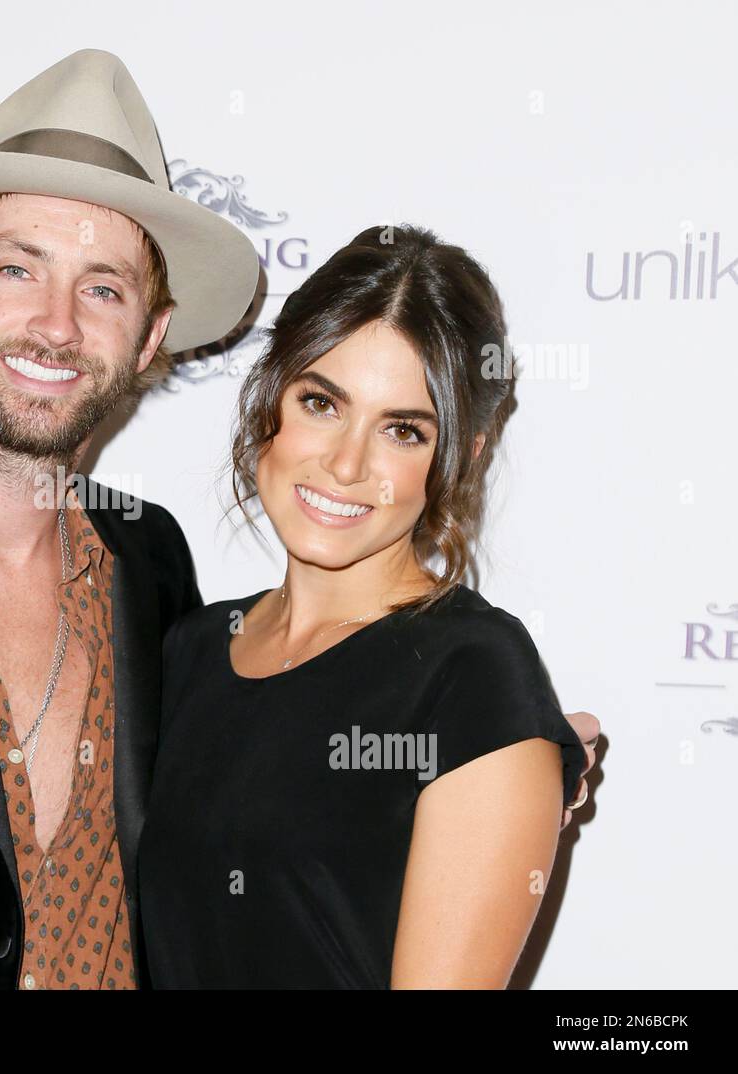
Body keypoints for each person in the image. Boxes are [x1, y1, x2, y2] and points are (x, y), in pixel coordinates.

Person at [0, 49, 599, 990]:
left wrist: (503, 757)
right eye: (18, 267)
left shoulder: (148, 568)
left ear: (149, 336)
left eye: (102, 288)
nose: (57, 323)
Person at [137, 224, 599, 989]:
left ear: (463, 452)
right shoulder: (190, 645)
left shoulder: (472, 678)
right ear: (272, 400)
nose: (348, 464)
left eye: (402, 430)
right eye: (322, 401)